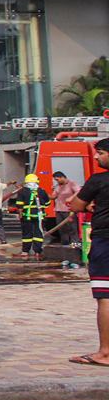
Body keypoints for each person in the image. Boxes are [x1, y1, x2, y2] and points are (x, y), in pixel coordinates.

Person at [68, 137, 109, 367]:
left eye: (100, 153)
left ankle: (105, 352)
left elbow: (75, 205)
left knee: (105, 298)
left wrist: (91, 205)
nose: (96, 157)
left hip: (105, 242)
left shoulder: (99, 180)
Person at [10, 173, 50, 260]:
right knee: (38, 234)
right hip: (39, 217)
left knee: (27, 234)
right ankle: (37, 252)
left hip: (27, 217)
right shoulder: (42, 191)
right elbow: (47, 204)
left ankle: (25, 251)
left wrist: (20, 215)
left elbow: (19, 205)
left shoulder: (22, 191)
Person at [52, 171, 80, 246]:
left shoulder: (71, 183)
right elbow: (54, 196)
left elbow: (78, 191)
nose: (57, 181)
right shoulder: (58, 186)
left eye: (57, 179)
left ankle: (75, 243)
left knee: (72, 227)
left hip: (69, 209)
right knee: (62, 228)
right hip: (59, 209)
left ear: (62, 177)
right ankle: (65, 243)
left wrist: (71, 197)